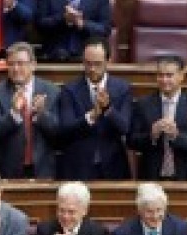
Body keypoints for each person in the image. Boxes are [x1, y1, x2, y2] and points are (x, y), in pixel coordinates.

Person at [56, 38, 133, 180]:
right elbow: (65, 129)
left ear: (108, 61)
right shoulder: (69, 89)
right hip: (78, 166)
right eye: (88, 63)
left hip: (113, 166)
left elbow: (125, 127)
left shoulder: (122, 88)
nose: (92, 69)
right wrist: (91, 116)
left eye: (97, 64)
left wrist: (108, 109)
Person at [129, 55, 187, 181]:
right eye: (160, 75)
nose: (164, 80)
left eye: (169, 75)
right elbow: (132, 141)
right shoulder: (143, 104)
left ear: (182, 76)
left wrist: (177, 136)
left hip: (185, 177)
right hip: (151, 176)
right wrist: (152, 135)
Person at [0, 42, 61, 179]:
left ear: (33, 65)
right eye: (11, 64)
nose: (15, 69)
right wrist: (14, 113)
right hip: (9, 168)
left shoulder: (51, 90)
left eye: (20, 63)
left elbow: (58, 133)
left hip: (42, 167)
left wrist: (41, 114)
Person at [35, 0, 111, 62]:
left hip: (88, 56)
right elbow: (40, 24)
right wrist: (63, 19)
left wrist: (82, 23)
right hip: (54, 55)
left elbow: (105, 29)